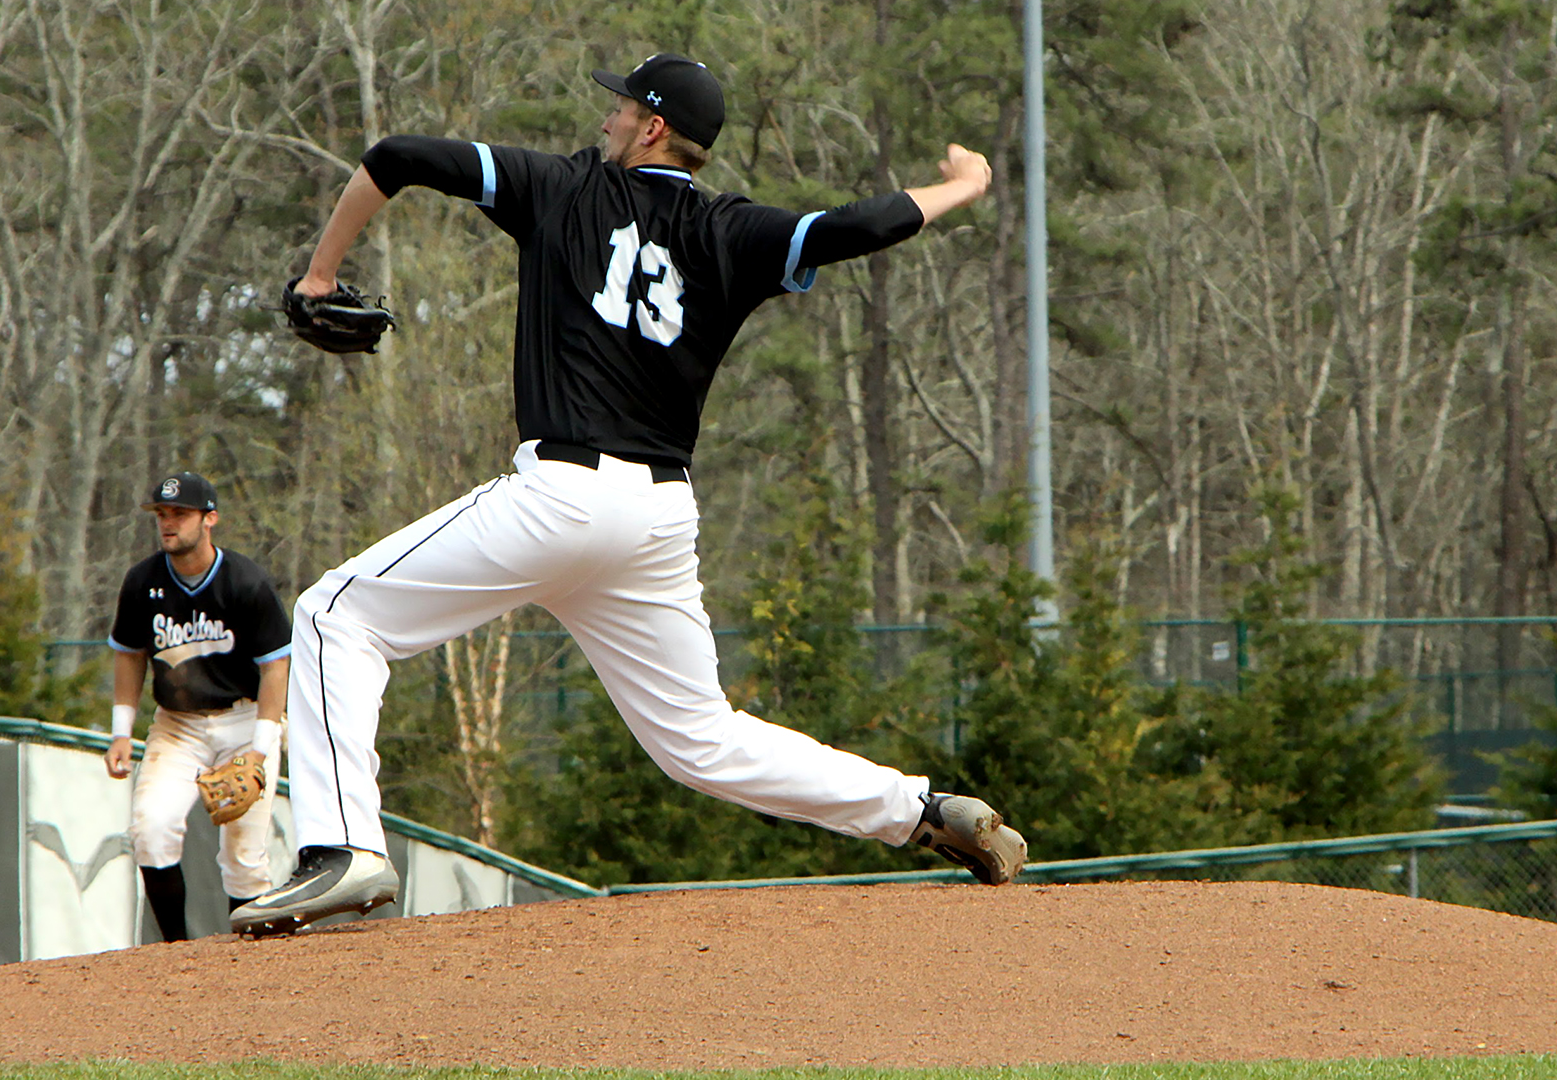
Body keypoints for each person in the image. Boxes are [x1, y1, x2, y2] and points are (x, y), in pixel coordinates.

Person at [233, 53, 1027, 938]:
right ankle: (921, 809)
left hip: (558, 495)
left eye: (619, 107)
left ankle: (345, 850)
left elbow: (397, 154)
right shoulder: (732, 230)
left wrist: (318, 275)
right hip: (656, 518)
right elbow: (858, 226)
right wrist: (959, 185)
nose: (605, 118)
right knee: (700, 739)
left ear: (651, 125)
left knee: (335, 615)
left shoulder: (559, 187)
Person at [106, 471, 293, 941]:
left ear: (210, 519)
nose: (168, 523)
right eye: (162, 514)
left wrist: (261, 748)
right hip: (177, 727)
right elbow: (129, 655)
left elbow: (276, 668)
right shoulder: (142, 582)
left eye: (180, 514)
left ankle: (251, 961)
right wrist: (121, 732)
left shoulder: (246, 582)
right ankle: (176, 953)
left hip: (245, 719)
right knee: (151, 828)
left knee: (245, 858)